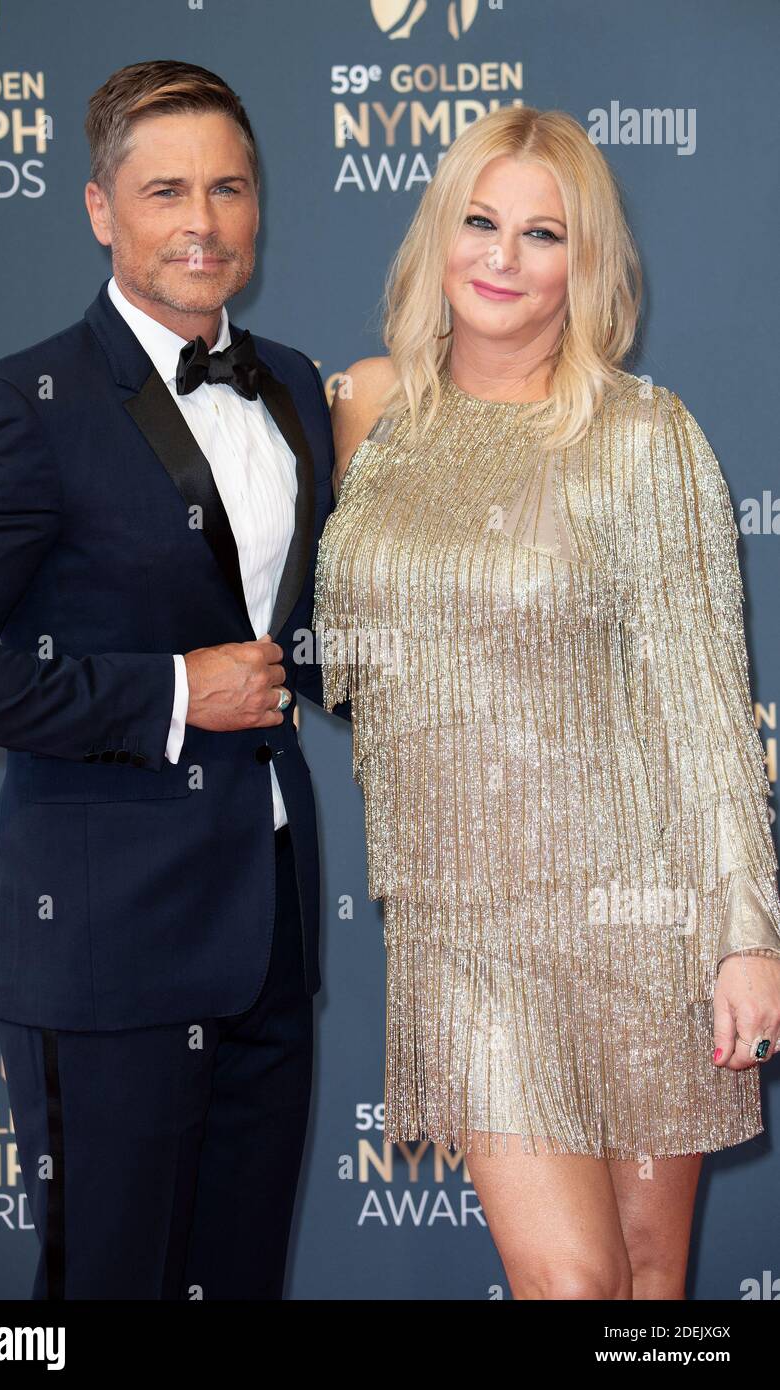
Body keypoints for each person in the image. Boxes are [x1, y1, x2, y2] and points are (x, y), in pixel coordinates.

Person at [313, 105, 780, 1300]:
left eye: (541, 234)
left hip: (638, 913)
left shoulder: (640, 435)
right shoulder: (367, 409)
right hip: (464, 922)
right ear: (439, 235)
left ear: (587, 266)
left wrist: (743, 933)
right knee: (569, 1282)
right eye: (479, 221)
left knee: (642, 1280)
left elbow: (703, 704)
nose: (501, 258)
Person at [0, 59, 346, 1300]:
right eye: (164, 191)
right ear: (101, 208)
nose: (201, 222)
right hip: (104, 941)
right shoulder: (20, 406)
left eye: (228, 187)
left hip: (265, 921)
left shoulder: (295, 390)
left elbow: (298, 642)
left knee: (237, 1279)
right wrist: (166, 694)